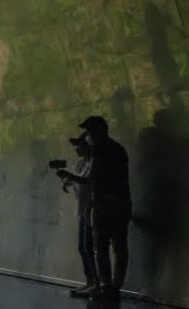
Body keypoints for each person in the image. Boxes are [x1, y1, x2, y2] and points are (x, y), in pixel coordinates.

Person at [57, 116, 132, 298]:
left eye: (89, 131)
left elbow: (91, 178)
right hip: (121, 203)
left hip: (104, 204)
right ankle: (115, 286)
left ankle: (105, 286)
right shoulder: (118, 148)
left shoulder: (100, 149)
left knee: (101, 246)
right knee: (119, 246)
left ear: (98, 130)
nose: (88, 136)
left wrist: (69, 175)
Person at [58, 136, 97, 296]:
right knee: (83, 247)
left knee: (89, 247)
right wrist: (68, 180)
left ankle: (96, 282)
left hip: (93, 209)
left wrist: (70, 176)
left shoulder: (95, 163)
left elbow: (88, 181)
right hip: (83, 210)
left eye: (79, 145)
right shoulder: (81, 163)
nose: (76, 149)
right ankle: (90, 281)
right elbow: (79, 182)